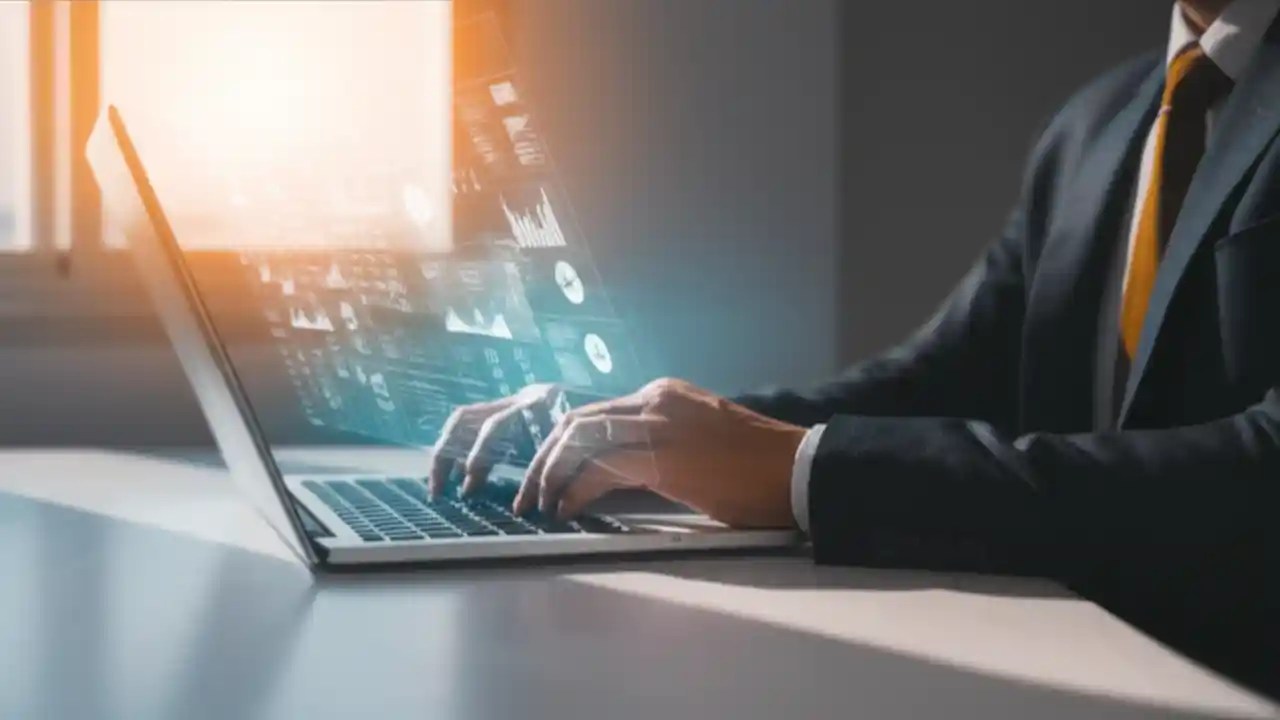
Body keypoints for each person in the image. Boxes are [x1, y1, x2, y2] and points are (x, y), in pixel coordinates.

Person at [434, 0, 1279, 690]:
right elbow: (934, 379)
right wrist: (628, 434)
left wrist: (808, 470)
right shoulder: (1093, 126)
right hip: (1069, 671)